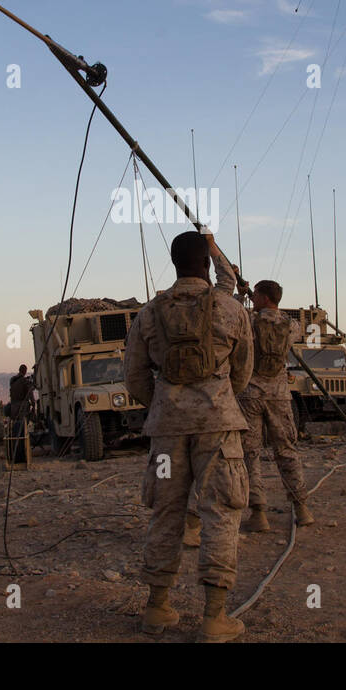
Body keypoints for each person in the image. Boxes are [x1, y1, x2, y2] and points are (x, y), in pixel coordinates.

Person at [125, 230, 253, 642]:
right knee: (221, 512)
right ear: (204, 263)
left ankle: (157, 608)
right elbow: (243, 373)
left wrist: (163, 403)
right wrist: (217, 398)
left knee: (166, 512)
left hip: (167, 431)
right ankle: (215, 617)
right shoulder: (231, 310)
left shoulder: (148, 313)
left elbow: (134, 377)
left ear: (175, 262)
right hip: (217, 427)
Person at [233, 277, 314, 531]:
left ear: (265, 297)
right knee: (287, 450)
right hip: (279, 394)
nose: (253, 298)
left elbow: (234, 315)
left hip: (250, 394)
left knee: (250, 453)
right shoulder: (292, 325)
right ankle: (301, 508)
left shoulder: (249, 319)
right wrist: (249, 294)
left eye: (256, 295)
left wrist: (240, 296)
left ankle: (259, 513)